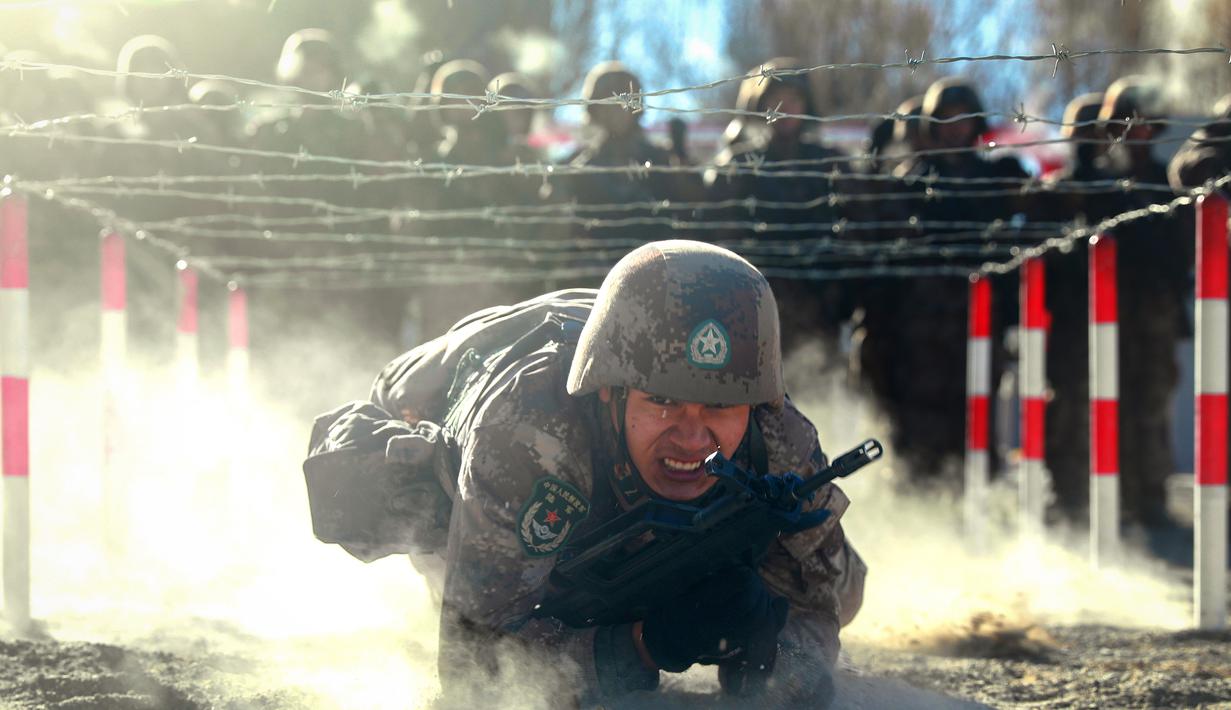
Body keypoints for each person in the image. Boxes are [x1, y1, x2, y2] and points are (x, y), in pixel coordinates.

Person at [304, 240, 865, 707]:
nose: (693, 437)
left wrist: (767, 653)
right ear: (611, 393)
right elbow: (476, 674)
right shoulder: (532, 440)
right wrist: (643, 646)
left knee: (849, 587)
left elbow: (825, 607)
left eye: (719, 408)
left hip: (624, 326)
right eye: (664, 402)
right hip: (448, 381)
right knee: (432, 513)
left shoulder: (779, 439)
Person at [1099, 77, 1190, 526]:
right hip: (1099, 319)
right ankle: (1107, 500)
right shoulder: (1097, 182)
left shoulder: (1167, 183)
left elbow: (1180, 254)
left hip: (1152, 316)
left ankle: (1150, 500)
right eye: (1128, 123)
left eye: (1144, 124)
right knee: (1101, 402)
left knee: (1150, 406)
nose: (1137, 132)